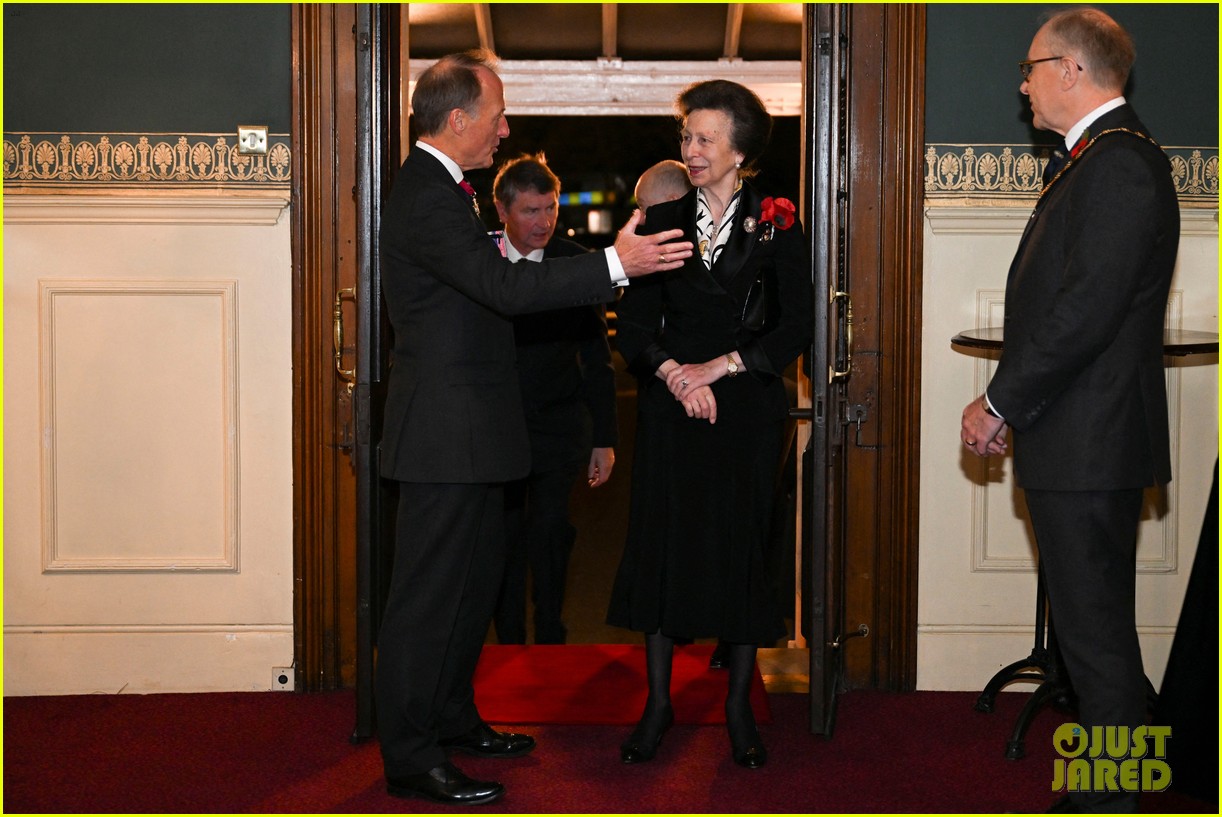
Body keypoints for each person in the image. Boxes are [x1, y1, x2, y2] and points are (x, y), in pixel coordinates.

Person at [376, 49, 693, 806]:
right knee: (428, 600)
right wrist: (615, 264)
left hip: (472, 435)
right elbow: (501, 286)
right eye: (495, 117)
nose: (504, 129)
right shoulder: (425, 191)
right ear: (457, 121)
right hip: (442, 438)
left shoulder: (450, 190)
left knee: (471, 585)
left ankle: (453, 717)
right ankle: (411, 754)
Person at [959, 8, 1178, 813]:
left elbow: (1083, 312)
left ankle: (1112, 801)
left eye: (1030, 67)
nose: (1022, 84)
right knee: (1095, 637)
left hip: (1090, 444)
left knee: (1097, 643)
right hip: (1080, 437)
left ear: (1073, 70)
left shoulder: (1119, 164)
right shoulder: (1100, 159)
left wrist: (999, 400)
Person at [608, 79, 813, 770]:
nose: (690, 151)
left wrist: (718, 368)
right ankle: (658, 704)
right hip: (673, 411)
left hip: (747, 408)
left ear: (740, 150)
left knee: (741, 550)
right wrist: (674, 374)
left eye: (704, 139)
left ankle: (735, 709)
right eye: (686, 137)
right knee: (666, 545)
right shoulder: (659, 218)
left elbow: (796, 327)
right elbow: (633, 326)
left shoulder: (779, 222)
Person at [490, 153, 618, 645]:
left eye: (550, 209)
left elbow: (598, 359)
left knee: (550, 533)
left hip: (558, 429)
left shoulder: (574, 264)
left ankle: (549, 636)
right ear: (503, 210)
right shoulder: (480, 260)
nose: (543, 222)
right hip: (494, 427)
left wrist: (604, 439)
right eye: (530, 211)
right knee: (502, 540)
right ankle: (507, 641)